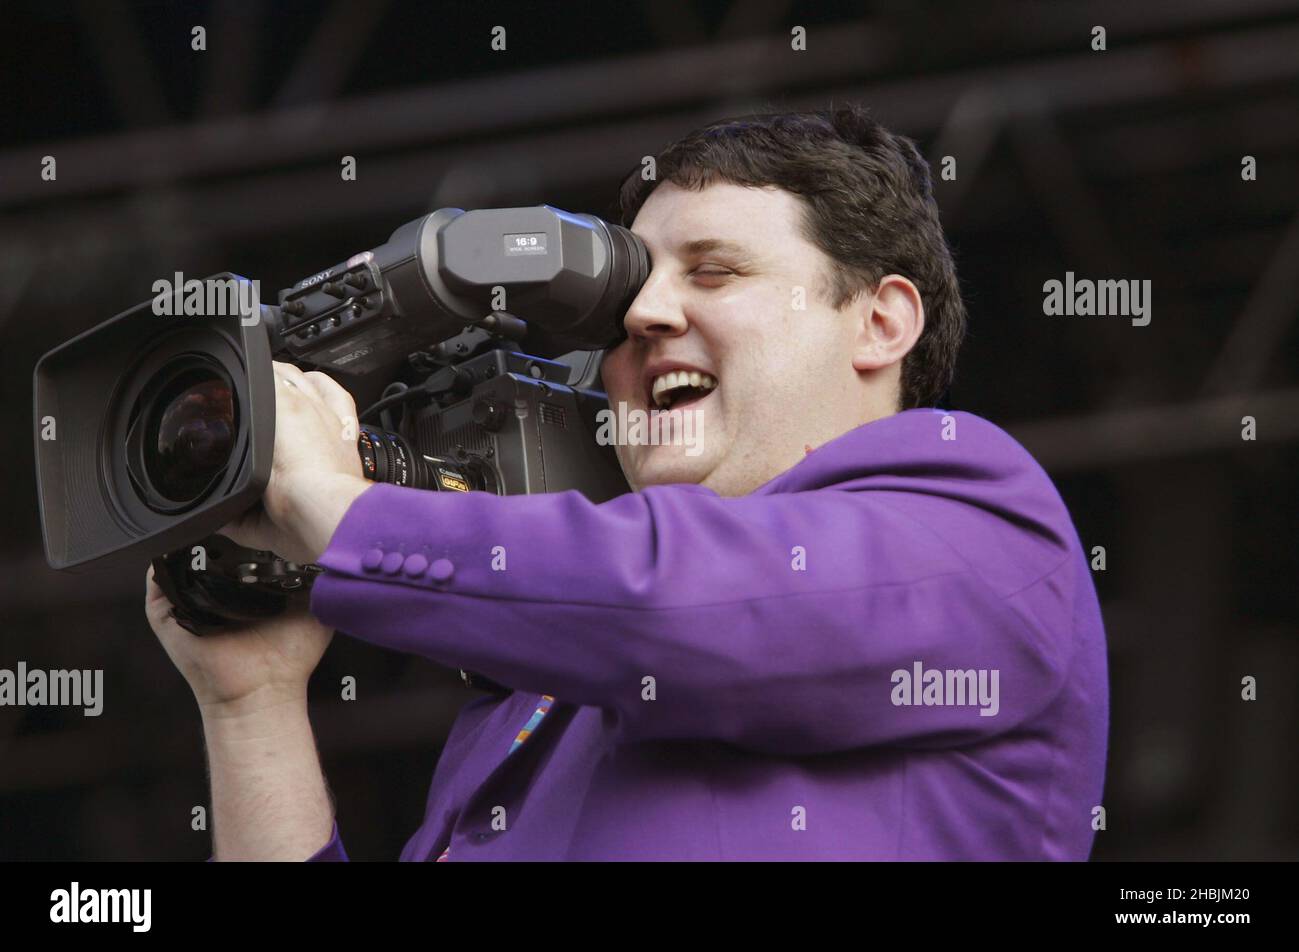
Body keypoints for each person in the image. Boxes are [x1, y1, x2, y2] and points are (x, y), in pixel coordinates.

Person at [146, 105, 1108, 861]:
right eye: (626, 300)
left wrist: (338, 508)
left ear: (879, 323)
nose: (643, 313)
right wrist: (254, 709)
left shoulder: (980, 517)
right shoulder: (528, 701)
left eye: (716, 272)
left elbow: (701, 602)